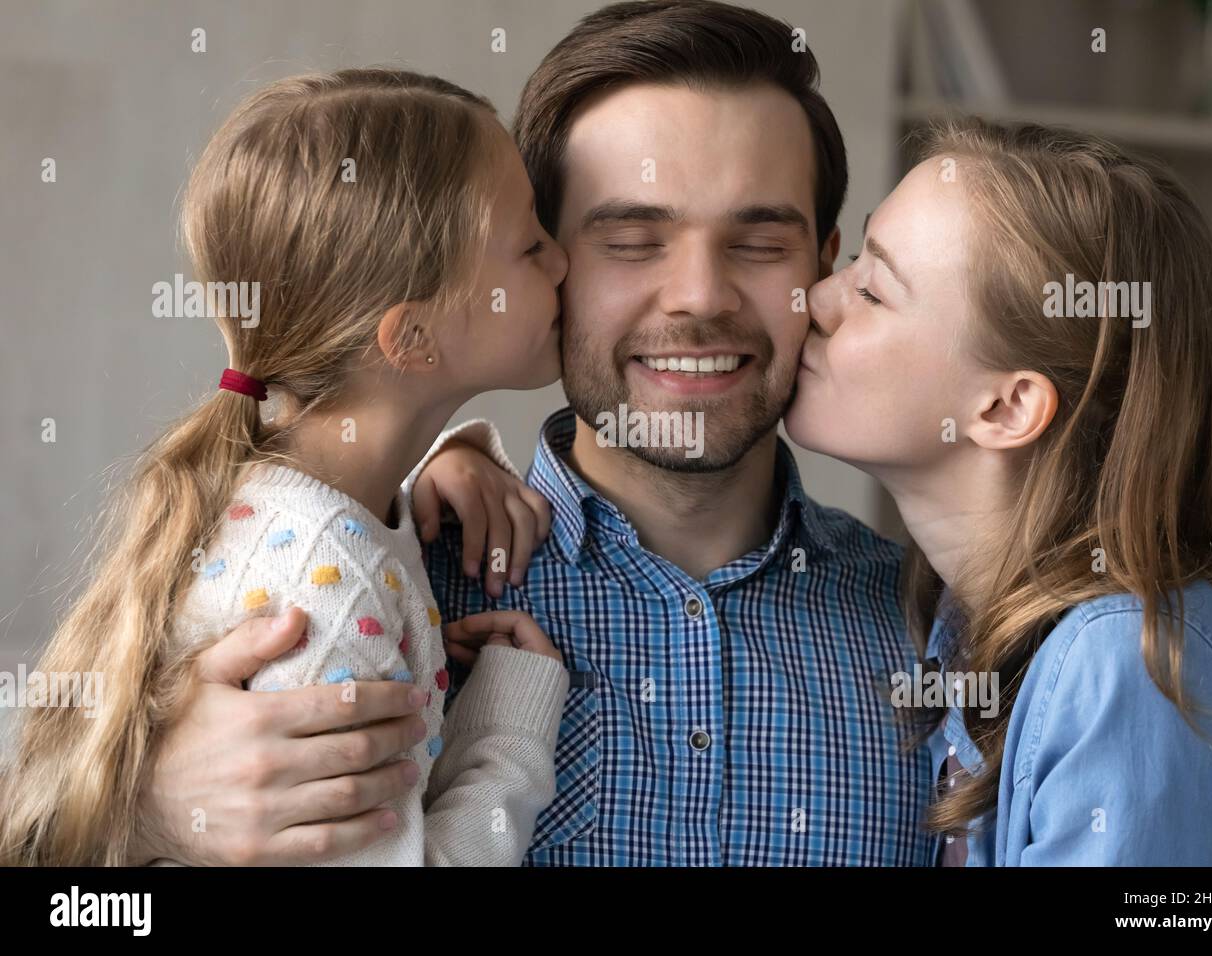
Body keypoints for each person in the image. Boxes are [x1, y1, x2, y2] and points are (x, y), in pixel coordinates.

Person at [129, 0, 938, 867]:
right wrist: (144, 819)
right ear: (538, 265)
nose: (701, 296)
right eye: (631, 240)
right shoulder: (364, 588)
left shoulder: (937, 629)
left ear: (825, 266)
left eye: (760, 243)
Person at [0, 68, 572, 866]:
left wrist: (448, 460)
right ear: (410, 340)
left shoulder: (312, 519)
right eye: (531, 243)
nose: (564, 262)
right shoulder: (320, 602)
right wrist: (510, 730)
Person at [784, 117, 1212, 864]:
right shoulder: (969, 624)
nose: (816, 299)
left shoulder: (1130, 664)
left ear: (1005, 408)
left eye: (872, 289)